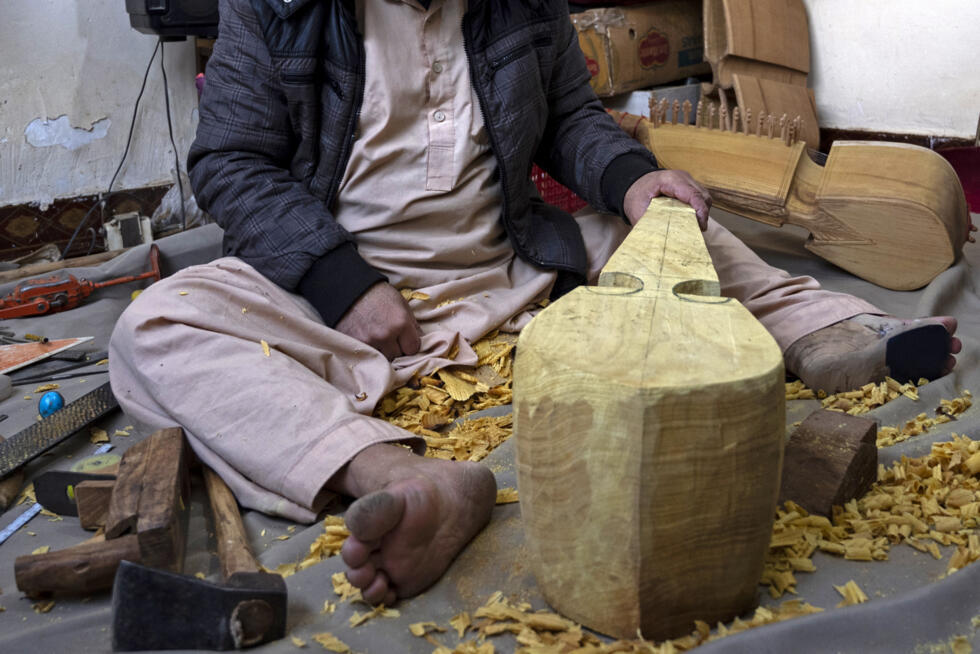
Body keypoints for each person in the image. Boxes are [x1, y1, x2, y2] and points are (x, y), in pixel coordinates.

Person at [108, 0, 960, 607]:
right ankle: (404, 477)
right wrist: (340, 281)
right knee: (155, 326)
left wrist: (631, 182)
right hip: (336, 302)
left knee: (669, 221)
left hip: (513, 267)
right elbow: (230, 163)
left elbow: (568, 120)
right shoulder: (275, 8)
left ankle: (822, 332)